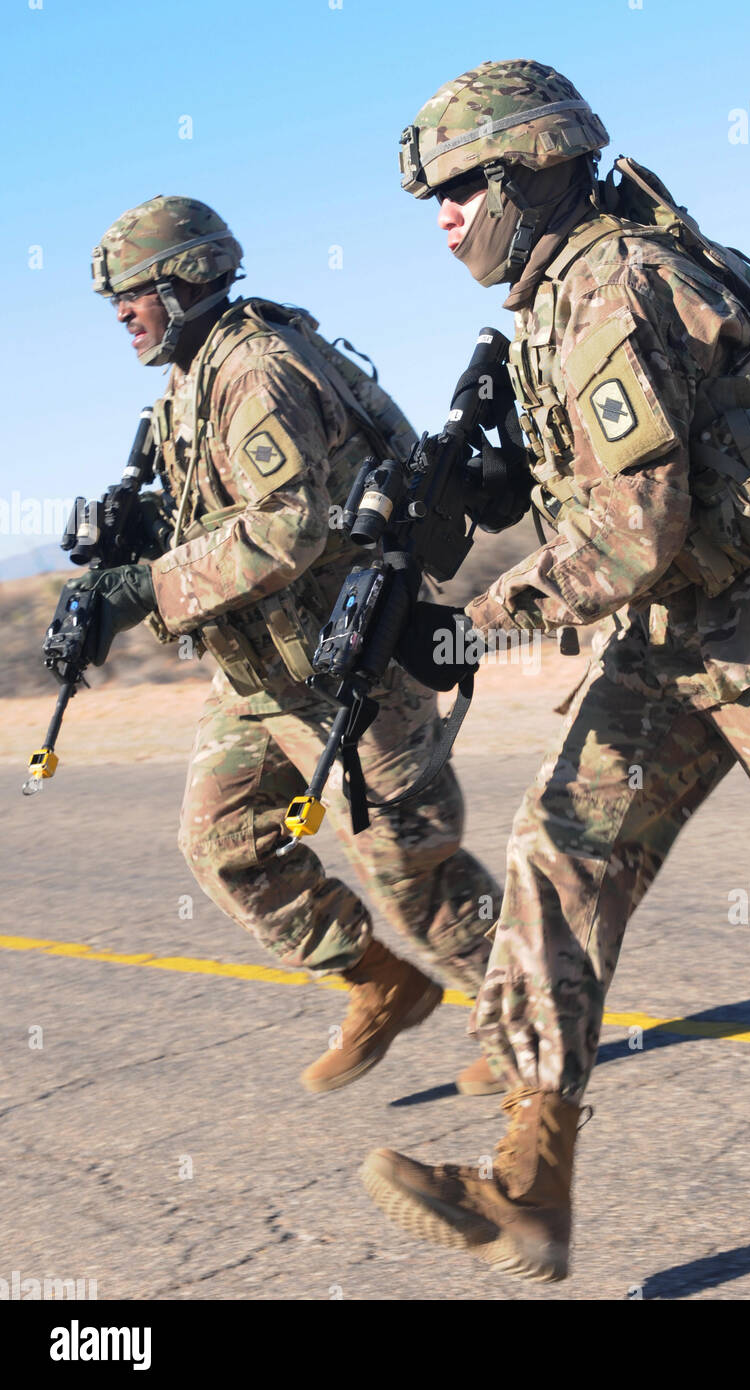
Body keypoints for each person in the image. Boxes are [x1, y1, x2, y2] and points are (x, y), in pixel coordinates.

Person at [362, 59, 750, 1281]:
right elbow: (631, 493)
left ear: (526, 168)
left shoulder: (606, 282)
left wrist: (477, 623)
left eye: (452, 189)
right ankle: (527, 1188)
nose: (438, 217)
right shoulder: (563, 292)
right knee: (558, 857)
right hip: (683, 625)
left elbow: (635, 536)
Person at [81, 194, 505, 1096]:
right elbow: (222, 511)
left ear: (186, 280)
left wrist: (143, 590)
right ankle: (381, 983)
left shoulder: (253, 369)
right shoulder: (191, 379)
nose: (122, 312)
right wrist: (133, 544)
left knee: (410, 869)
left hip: (347, 660)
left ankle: (533, 1025)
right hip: (260, 666)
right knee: (226, 839)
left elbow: (286, 530)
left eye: (133, 292)